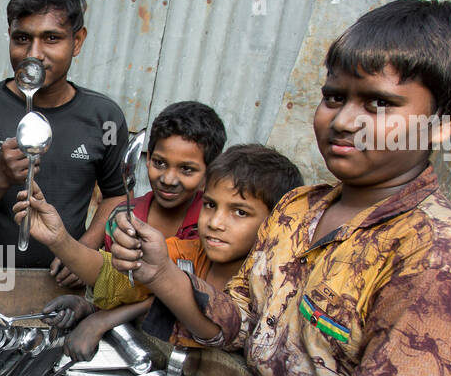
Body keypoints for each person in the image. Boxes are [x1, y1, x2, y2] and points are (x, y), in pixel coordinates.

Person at [111, 0, 451, 376]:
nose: (344, 121)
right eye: (333, 96)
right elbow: (243, 319)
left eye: (379, 104)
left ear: (441, 126)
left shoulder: (442, 258)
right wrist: (162, 273)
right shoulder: (299, 208)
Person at [18, 144, 302, 361]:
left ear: (275, 224)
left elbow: (221, 328)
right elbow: (116, 274)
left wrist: (104, 317)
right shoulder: (190, 251)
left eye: (240, 212)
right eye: (211, 205)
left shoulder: (274, 284)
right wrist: (60, 240)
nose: (215, 223)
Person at [0, 0, 128, 287]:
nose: (34, 53)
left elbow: (116, 194)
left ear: (77, 41)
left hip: (61, 287)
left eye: (51, 38)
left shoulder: (104, 117)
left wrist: (83, 248)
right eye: (22, 38)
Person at [103, 101, 226, 250]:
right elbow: (107, 268)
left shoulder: (216, 228)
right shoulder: (122, 218)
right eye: (160, 163)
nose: (168, 180)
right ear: (148, 158)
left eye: (186, 169)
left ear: (210, 172)